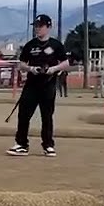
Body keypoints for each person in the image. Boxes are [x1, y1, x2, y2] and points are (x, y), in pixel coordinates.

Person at [7, 13, 69, 157]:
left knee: (47, 116)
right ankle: (21, 144)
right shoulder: (30, 45)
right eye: (36, 26)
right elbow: (22, 64)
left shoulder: (56, 45)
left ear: (48, 27)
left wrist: (53, 69)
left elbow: (65, 63)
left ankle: (48, 145)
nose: (37, 29)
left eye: (40, 26)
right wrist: (31, 69)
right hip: (31, 85)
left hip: (48, 85)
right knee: (24, 114)